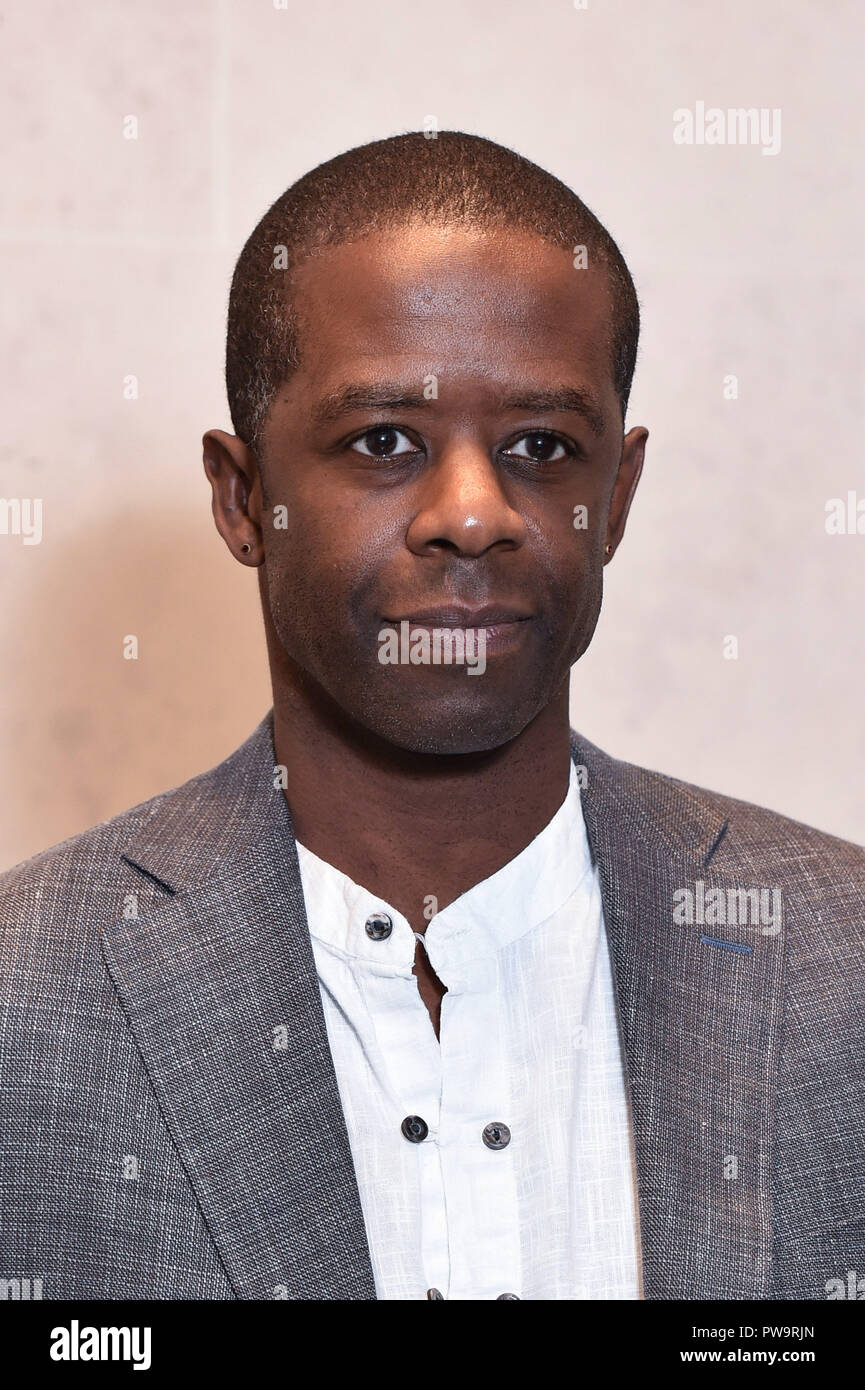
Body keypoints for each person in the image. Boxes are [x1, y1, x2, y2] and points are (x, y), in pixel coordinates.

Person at [1, 132, 863, 1302]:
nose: (472, 514)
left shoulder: (838, 957)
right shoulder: (26, 992)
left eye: (542, 448)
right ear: (244, 497)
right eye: (384, 442)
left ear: (614, 498)